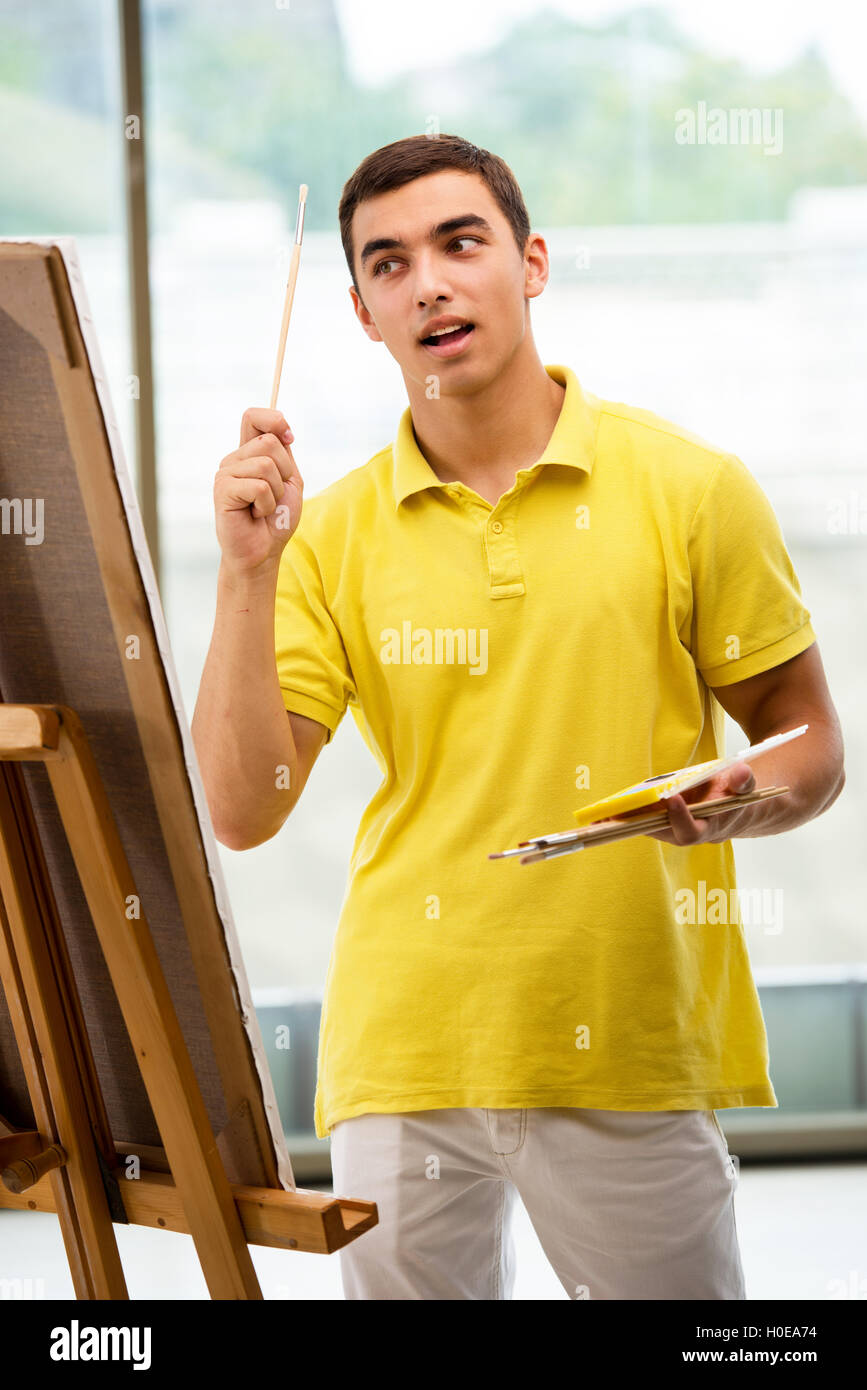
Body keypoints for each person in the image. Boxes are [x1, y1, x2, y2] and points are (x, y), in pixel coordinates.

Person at [191, 134, 845, 1300]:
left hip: (629, 1036)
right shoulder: (323, 537)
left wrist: (738, 800)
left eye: (460, 242)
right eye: (389, 264)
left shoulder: (692, 487)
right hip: (403, 1045)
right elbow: (244, 810)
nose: (428, 281)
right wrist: (245, 571)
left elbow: (813, 744)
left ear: (532, 262)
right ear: (362, 313)